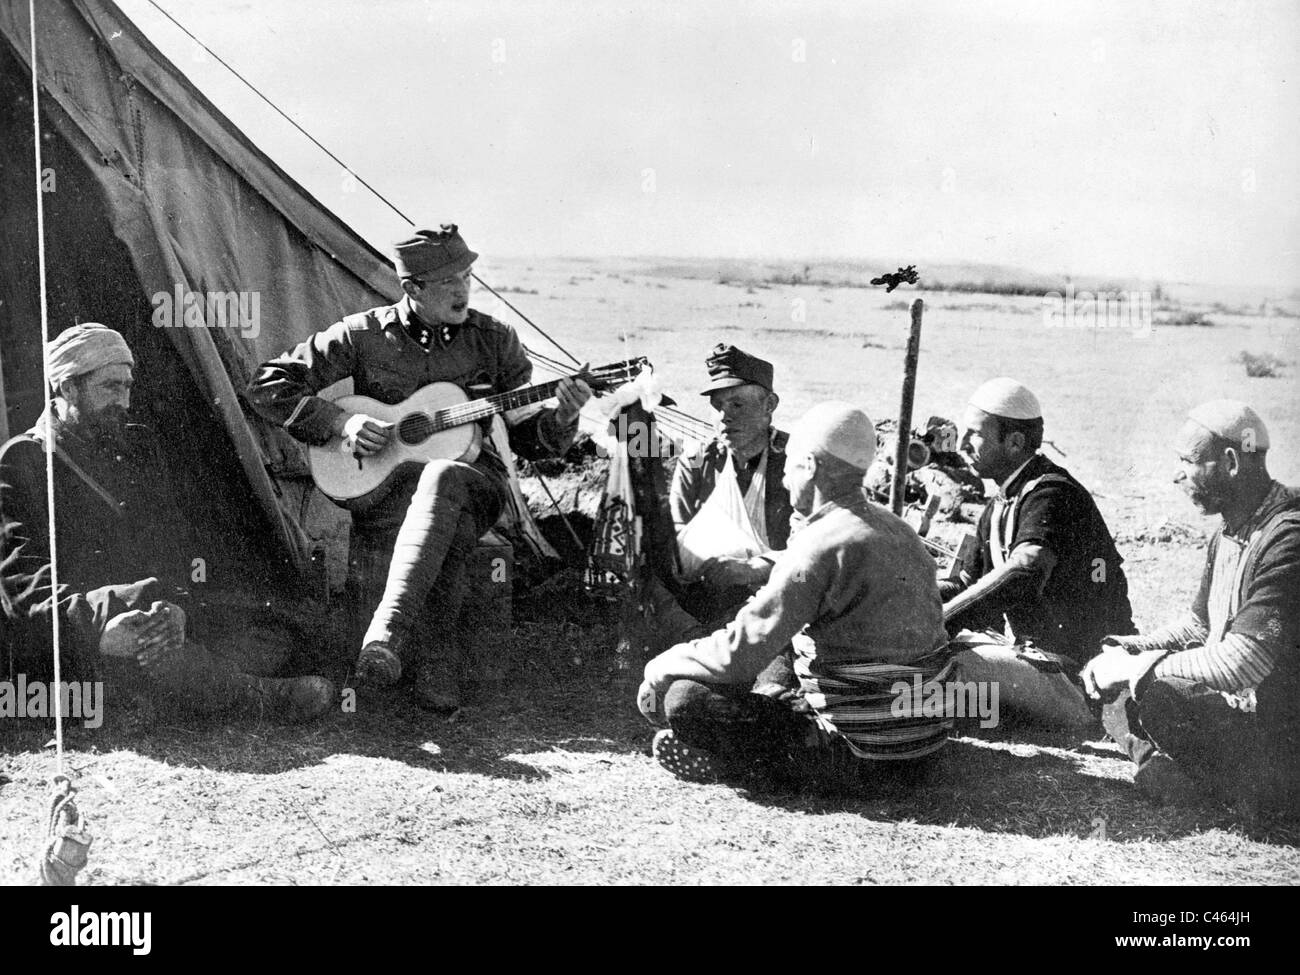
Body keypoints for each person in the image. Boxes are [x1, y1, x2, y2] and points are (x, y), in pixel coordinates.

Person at [245, 225, 590, 712]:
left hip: (477, 487)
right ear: (412, 289)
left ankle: (390, 633)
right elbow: (266, 385)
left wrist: (564, 415)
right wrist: (342, 423)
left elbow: (535, 443)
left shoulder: (495, 340)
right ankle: (435, 658)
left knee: (442, 475)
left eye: (467, 276)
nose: (462, 290)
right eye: (448, 281)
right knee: (431, 495)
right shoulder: (361, 335)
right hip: (387, 492)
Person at [0, 324, 334, 724]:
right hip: (79, 632)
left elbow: (172, 542)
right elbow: (22, 588)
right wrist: (100, 627)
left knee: (272, 627)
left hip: (147, 615)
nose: (123, 401)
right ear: (68, 388)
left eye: (127, 386)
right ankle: (254, 697)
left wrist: (176, 604)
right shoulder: (23, 462)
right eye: (109, 387)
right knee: (166, 658)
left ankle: (161, 695)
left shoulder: (136, 445)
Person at [638, 402, 952, 791]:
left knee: (685, 700)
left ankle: (738, 763)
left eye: (788, 468)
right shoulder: (898, 530)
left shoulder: (818, 545)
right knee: (785, 644)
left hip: (856, 756)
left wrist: (663, 667)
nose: (785, 481)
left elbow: (739, 655)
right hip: (924, 752)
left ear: (808, 466)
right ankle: (776, 704)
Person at [1082, 401, 1299, 813]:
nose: (1177, 474)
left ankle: (1209, 783)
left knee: (1161, 695)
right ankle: (1177, 772)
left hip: (1284, 735)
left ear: (1231, 462)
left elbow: (1243, 662)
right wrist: (1129, 649)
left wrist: (1136, 669)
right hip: (1245, 716)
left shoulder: (1288, 536)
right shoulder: (1232, 528)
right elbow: (1200, 626)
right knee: (1120, 694)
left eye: (1188, 461)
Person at [941, 378, 1134, 729]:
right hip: (1034, 659)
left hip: (1079, 675)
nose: (963, 443)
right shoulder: (1003, 499)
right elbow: (965, 583)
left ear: (1014, 442)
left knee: (936, 667)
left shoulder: (1053, 493)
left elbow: (1025, 573)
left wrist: (940, 621)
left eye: (975, 434)